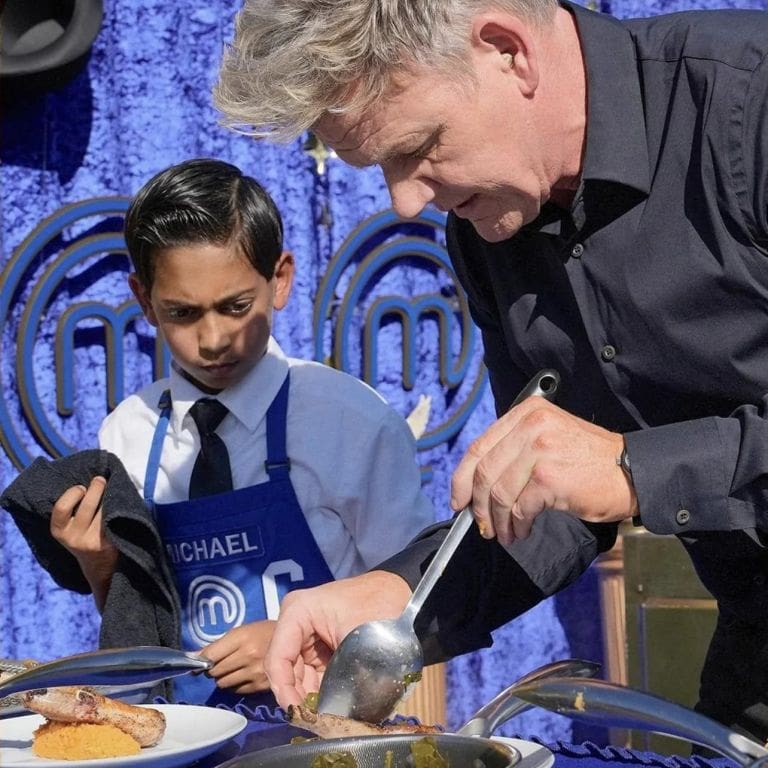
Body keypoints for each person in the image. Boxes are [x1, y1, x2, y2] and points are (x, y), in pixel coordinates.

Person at [213, 0, 768, 742]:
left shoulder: (750, 103)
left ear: (508, 50)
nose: (405, 202)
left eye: (419, 147)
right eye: (379, 168)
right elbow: (543, 502)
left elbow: (611, 471)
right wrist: (399, 595)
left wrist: (636, 468)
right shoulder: (487, 230)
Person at [46, 157, 435, 706]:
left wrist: (311, 644)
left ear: (280, 279)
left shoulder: (351, 423)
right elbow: (137, 622)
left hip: (324, 734)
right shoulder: (127, 433)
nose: (213, 339)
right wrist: (99, 564)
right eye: (182, 313)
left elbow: (420, 608)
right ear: (144, 301)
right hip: (181, 735)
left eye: (235, 307)